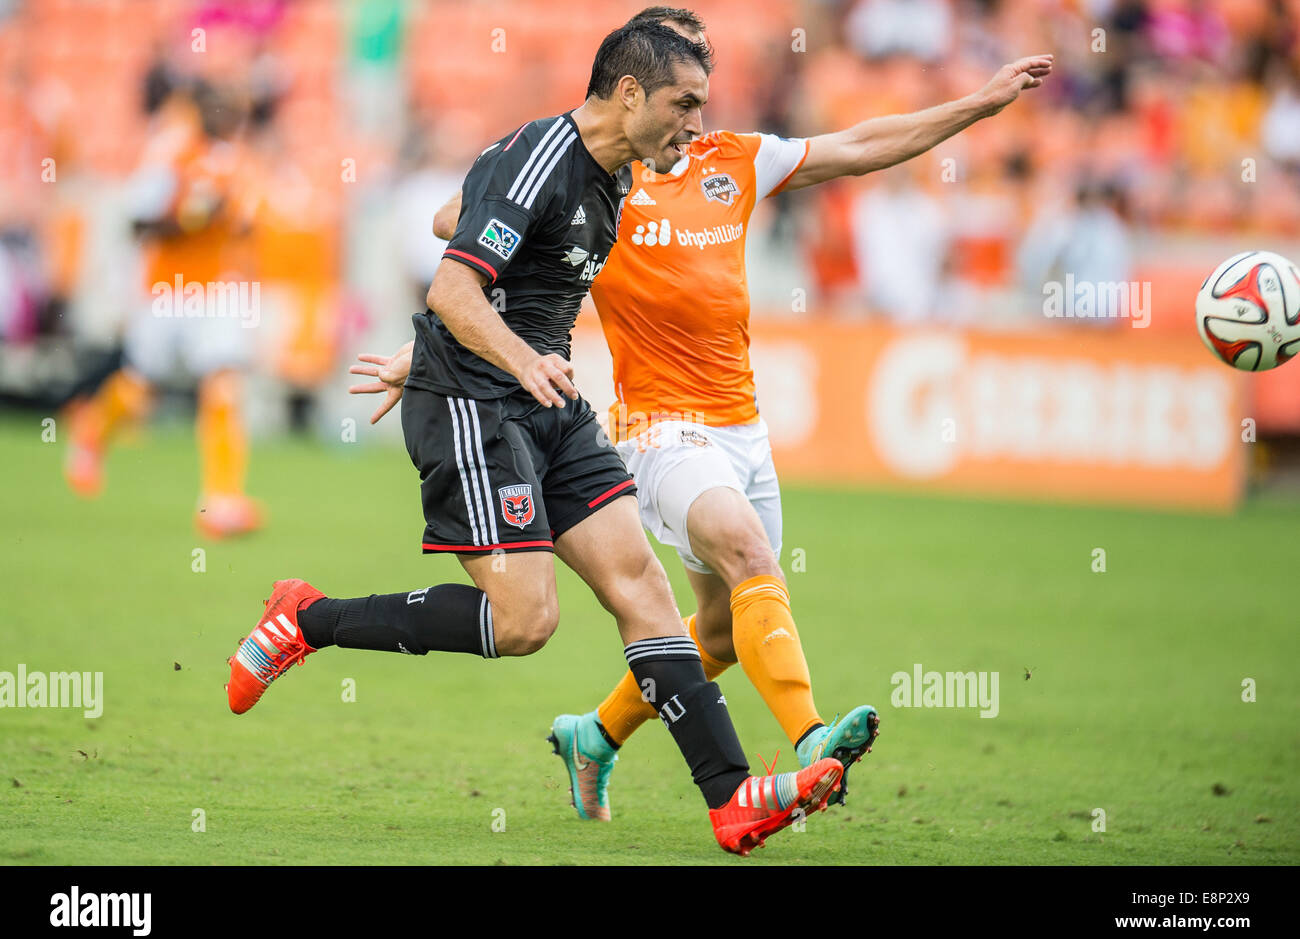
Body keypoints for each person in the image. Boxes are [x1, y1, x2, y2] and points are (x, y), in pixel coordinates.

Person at [409, 7, 1053, 821]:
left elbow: (860, 146)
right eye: (687, 81)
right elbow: (465, 231)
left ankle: (594, 736)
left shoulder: (736, 160)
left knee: (716, 632)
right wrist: (449, 348)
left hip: (741, 425)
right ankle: (811, 739)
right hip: (657, 431)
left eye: (707, 73)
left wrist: (977, 104)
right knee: (748, 553)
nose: (700, 106)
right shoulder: (600, 171)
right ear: (641, 82)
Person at [229, 21, 843, 857]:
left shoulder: (617, 172)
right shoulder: (539, 159)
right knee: (525, 623)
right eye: (684, 103)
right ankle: (309, 618)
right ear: (629, 94)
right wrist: (467, 352)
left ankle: (731, 797)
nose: (697, 124)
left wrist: (455, 344)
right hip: (476, 409)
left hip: (542, 398)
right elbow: (454, 282)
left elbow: (497, 260)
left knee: (646, 591)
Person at [64, 80, 266, 538]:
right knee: (139, 392)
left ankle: (221, 500)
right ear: (197, 109)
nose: (227, 116)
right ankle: (93, 430)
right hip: (167, 291)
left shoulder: (236, 162)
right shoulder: (171, 154)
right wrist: (189, 218)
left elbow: (242, 228)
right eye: (217, 105)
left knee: (223, 386)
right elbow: (138, 222)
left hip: (216, 292)